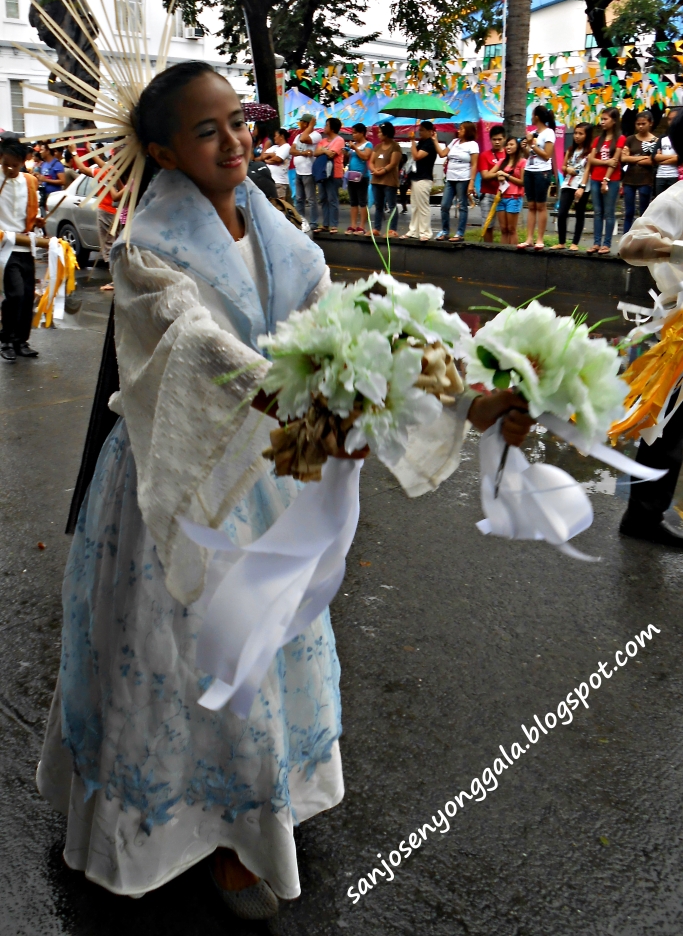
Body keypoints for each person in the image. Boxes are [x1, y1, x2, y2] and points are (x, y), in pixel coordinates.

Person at [36, 61, 534, 919]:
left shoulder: (279, 225)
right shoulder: (145, 244)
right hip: (182, 471)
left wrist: (462, 388)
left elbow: (343, 329)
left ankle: (242, 824)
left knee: (262, 646)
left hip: (278, 459)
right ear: (161, 150)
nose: (233, 140)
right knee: (183, 654)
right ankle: (190, 832)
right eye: (206, 130)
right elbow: (193, 346)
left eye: (239, 120)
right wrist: (298, 392)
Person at [616, 107, 683, 548]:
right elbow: (630, 245)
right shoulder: (676, 199)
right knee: (669, 428)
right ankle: (642, 516)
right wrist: (678, 250)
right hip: (681, 331)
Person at [0, 134, 42, 362]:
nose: (10, 169)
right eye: (6, 164)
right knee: (14, 294)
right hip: (4, 248)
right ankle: (6, 338)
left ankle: (21, 340)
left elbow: (33, 211)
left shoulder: (29, 181)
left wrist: (38, 222)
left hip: (27, 245)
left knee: (27, 295)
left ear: (23, 162)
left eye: (15, 165)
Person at [69, 143, 126, 284]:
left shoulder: (108, 173)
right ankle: (119, 278)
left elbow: (82, 168)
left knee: (108, 247)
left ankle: (115, 280)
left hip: (106, 212)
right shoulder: (116, 171)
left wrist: (74, 153)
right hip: (118, 213)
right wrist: (92, 152)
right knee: (117, 246)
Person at [579, 106, 625, 256]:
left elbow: (615, 161)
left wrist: (606, 179)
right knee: (597, 212)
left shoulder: (620, 138)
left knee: (609, 212)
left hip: (611, 180)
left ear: (614, 121)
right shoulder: (598, 140)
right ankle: (596, 243)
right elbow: (591, 159)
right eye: (602, 119)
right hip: (595, 178)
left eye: (606, 119)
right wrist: (605, 163)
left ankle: (607, 244)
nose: (603, 122)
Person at [435, 121, 479, 242]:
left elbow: (474, 165)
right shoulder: (454, 142)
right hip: (450, 178)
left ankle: (460, 233)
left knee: (462, 205)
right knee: (444, 205)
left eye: (461, 129)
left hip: (463, 178)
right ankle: (445, 231)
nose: (458, 131)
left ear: (468, 131)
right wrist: (435, 140)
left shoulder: (473, 145)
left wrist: (471, 182)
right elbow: (442, 154)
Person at [551, 123, 592, 252]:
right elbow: (563, 167)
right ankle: (561, 241)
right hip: (568, 184)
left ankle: (575, 242)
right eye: (576, 133)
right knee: (562, 212)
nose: (577, 136)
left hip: (582, 185)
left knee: (579, 213)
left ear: (587, 135)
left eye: (581, 134)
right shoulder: (570, 150)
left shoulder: (590, 152)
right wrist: (567, 169)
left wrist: (582, 187)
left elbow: (588, 170)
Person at [520, 106, 556, 250]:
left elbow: (547, 155)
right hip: (529, 169)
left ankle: (539, 239)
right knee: (531, 206)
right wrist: (525, 147)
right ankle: (529, 238)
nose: (531, 117)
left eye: (533, 114)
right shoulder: (533, 133)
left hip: (543, 172)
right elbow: (528, 155)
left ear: (537, 117)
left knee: (541, 206)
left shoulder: (549, 133)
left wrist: (532, 144)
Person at [400, 121, 438, 242]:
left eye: (422, 130)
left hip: (424, 178)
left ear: (429, 131)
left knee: (423, 206)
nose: (419, 132)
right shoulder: (421, 142)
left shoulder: (430, 144)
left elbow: (416, 156)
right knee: (415, 206)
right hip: (416, 177)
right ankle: (414, 231)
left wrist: (412, 141)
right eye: (419, 130)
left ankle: (425, 232)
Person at [622, 110, 656, 233]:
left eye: (643, 123)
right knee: (629, 212)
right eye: (638, 124)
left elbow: (652, 161)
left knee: (644, 211)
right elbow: (624, 158)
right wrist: (642, 157)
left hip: (645, 179)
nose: (640, 126)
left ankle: (642, 238)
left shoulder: (655, 141)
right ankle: (625, 240)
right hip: (629, 179)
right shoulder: (630, 139)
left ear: (650, 123)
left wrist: (633, 159)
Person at [368, 122, 402, 237]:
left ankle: (392, 229)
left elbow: (393, 163)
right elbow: (371, 161)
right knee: (378, 206)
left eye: (380, 132)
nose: (378, 134)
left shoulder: (395, 146)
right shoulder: (377, 147)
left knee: (392, 205)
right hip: (376, 180)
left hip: (389, 181)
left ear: (386, 133)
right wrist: (374, 170)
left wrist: (382, 171)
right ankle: (377, 228)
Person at [313, 117, 344, 234]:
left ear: (332, 128)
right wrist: (325, 150)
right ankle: (325, 224)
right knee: (323, 198)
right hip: (322, 173)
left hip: (333, 174)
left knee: (332, 199)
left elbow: (331, 154)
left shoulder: (339, 140)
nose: (324, 128)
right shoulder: (323, 140)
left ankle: (334, 224)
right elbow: (316, 153)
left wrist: (324, 150)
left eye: (326, 125)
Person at [495, 137, 526, 247]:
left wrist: (507, 175)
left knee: (511, 228)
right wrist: (498, 175)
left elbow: (522, 182)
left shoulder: (522, 162)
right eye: (507, 145)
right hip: (500, 197)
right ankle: (502, 254)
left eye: (511, 144)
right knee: (503, 229)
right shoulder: (502, 162)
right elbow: (489, 174)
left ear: (517, 146)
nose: (508, 147)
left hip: (514, 197)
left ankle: (513, 255)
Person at [477, 125, 507, 243]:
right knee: (488, 226)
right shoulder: (484, 155)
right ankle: (488, 251)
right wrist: (498, 174)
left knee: (506, 227)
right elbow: (485, 176)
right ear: (490, 140)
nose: (497, 142)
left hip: (505, 194)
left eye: (500, 139)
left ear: (504, 139)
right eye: (494, 139)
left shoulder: (509, 154)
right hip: (488, 194)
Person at [292, 113, 320, 228]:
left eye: (302, 122)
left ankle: (313, 222)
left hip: (309, 171)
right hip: (298, 171)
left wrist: (311, 126)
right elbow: (291, 151)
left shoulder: (316, 135)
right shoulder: (297, 136)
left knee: (311, 199)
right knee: (299, 198)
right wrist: (302, 153)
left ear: (307, 124)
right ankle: (301, 221)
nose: (300, 124)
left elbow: (304, 139)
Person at [345, 123, 372, 234]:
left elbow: (365, 156)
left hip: (362, 176)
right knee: (353, 202)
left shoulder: (368, 144)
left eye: (355, 133)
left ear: (362, 133)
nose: (353, 135)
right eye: (352, 133)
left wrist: (355, 148)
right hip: (351, 175)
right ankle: (353, 225)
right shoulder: (353, 145)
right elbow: (347, 159)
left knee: (362, 202)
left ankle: (361, 226)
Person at [654, 108, 680, 197]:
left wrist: (662, 159)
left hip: (676, 175)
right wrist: (674, 157)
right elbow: (655, 157)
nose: (671, 122)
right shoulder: (663, 138)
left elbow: (680, 158)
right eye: (669, 119)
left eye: (674, 119)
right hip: (660, 175)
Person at [262, 127, 292, 201]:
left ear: (281, 136)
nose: (274, 137)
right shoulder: (274, 147)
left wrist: (267, 160)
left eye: (276, 135)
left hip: (279, 181)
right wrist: (273, 155)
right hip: (271, 180)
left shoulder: (286, 147)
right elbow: (263, 156)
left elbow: (278, 159)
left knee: (280, 204)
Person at [36, 141, 65, 214]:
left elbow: (62, 181)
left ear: (48, 151)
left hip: (53, 196)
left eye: (42, 150)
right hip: (44, 195)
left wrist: (46, 180)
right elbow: (43, 179)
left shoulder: (57, 165)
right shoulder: (44, 164)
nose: (40, 152)